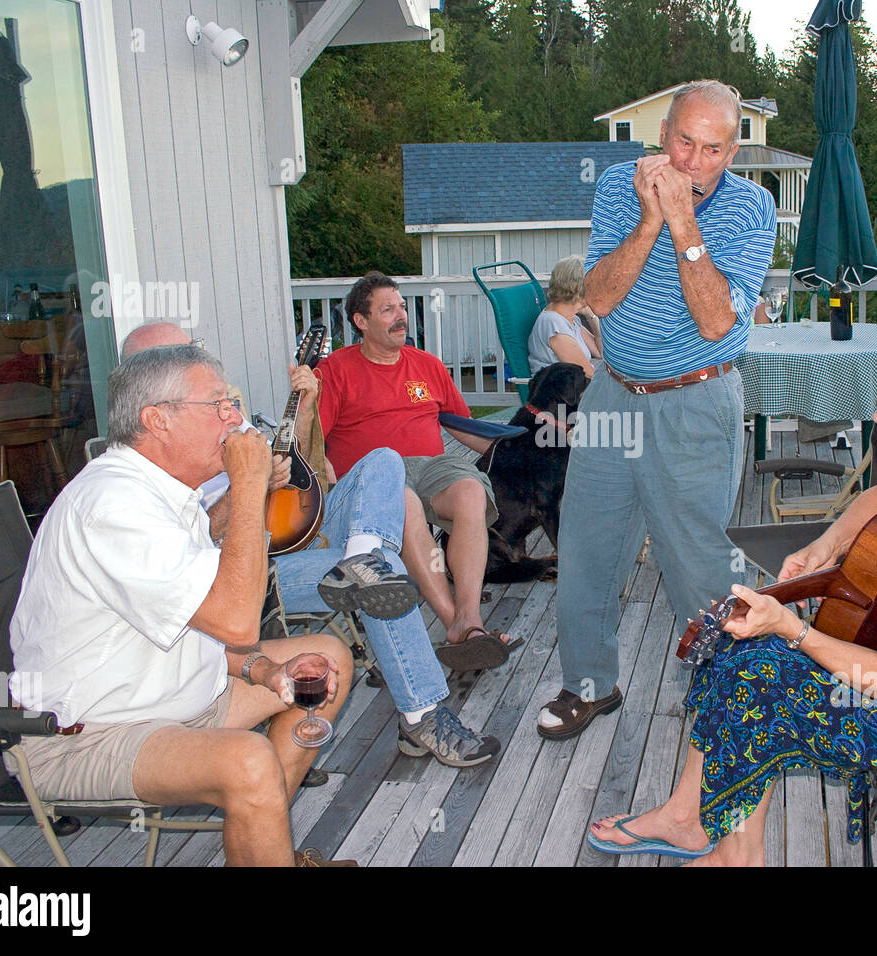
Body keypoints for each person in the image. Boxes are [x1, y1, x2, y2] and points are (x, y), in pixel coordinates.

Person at [586, 344, 877, 865]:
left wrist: (794, 630)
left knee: (760, 681)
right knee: (734, 651)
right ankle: (688, 817)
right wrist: (827, 545)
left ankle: (732, 855)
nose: (875, 423)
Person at [7, 345, 353, 866]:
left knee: (329, 657)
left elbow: (194, 625)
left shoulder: (167, 490)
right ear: (156, 420)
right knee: (249, 761)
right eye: (216, 404)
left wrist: (263, 669)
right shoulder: (114, 507)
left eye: (230, 402)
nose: (235, 417)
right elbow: (235, 621)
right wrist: (249, 485)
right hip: (91, 735)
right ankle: (266, 841)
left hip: (178, 695)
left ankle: (264, 845)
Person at [120, 323, 500, 769]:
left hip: (293, 530)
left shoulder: (223, 417)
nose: (224, 406)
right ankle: (423, 713)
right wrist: (248, 487)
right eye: (184, 357)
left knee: (383, 462)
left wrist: (302, 412)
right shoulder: (140, 473)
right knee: (383, 572)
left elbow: (298, 464)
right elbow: (193, 549)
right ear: (151, 395)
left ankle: (362, 556)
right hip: (243, 572)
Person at [536, 80, 777, 738]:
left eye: (713, 149)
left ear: (734, 151)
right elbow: (600, 299)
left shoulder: (755, 209)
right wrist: (649, 219)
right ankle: (588, 686)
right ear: (663, 131)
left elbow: (715, 318)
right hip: (614, 392)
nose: (693, 161)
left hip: (697, 401)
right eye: (683, 140)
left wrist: (683, 224)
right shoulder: (620, 185)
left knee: (699, 563)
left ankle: (725, 700)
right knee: (588, 550)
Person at [316, 271, 518, 671]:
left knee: (470, 493)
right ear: (361, 321)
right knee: (404, 503)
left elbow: (464, 425)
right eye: (388, 309)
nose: (401, 316)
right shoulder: (335, 370)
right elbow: (313, 441)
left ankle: (469, 616)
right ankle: (459, 626)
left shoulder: (426, 364)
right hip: (375, 475)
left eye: (402, 307)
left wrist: (516, 451)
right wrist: (329, 481)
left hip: (432, 466)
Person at [527, 255, 601, 378]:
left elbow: (600, 352)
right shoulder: (553, 323)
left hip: (576, 390)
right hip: (560, 394)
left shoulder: (571, 318)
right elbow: (587, 373)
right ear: (581, 288)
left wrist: (591, 315)